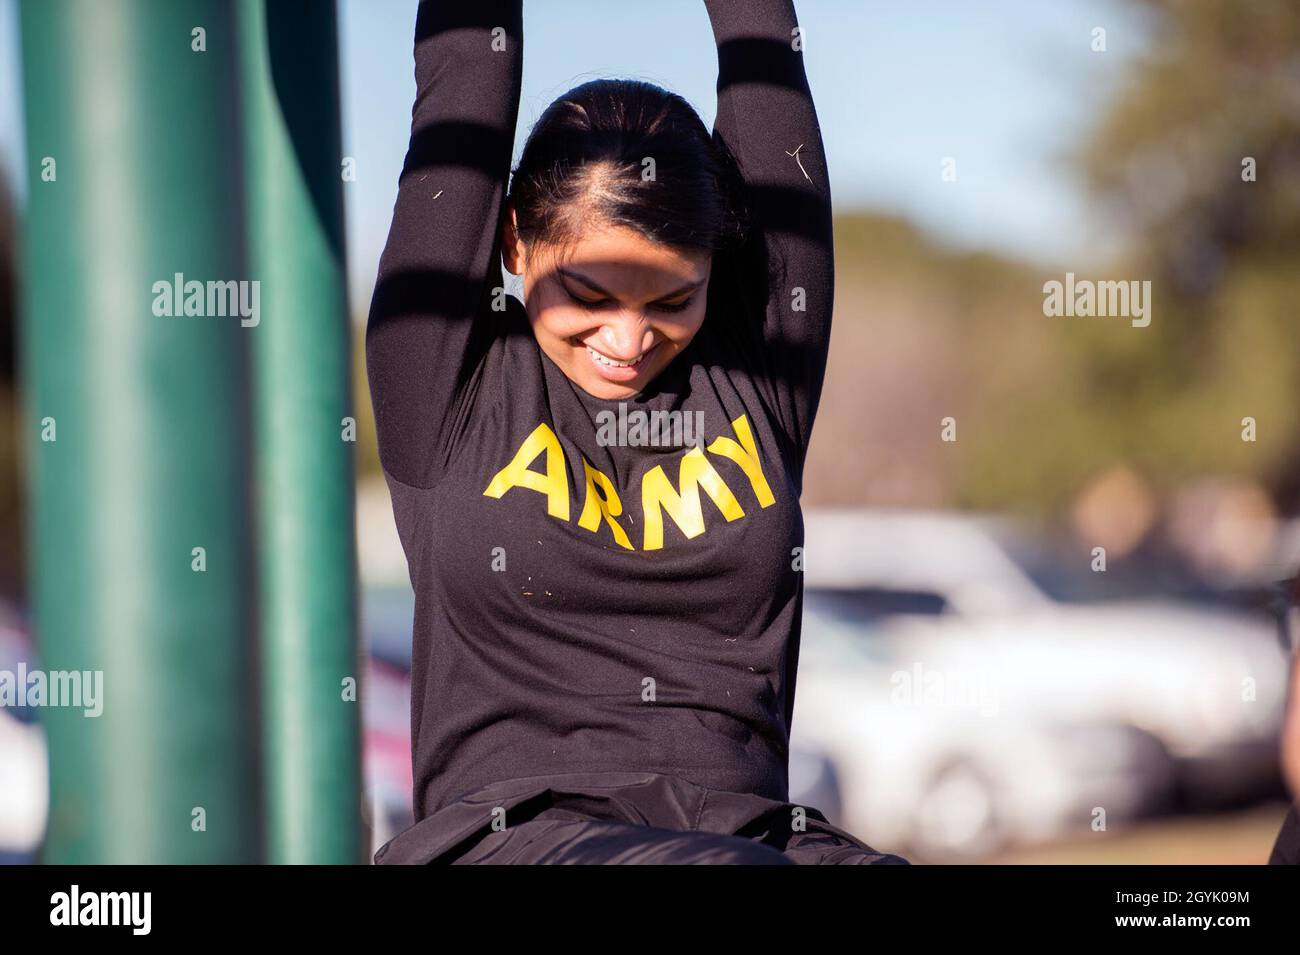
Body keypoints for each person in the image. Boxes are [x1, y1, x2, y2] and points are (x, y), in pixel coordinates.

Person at [366, 0, 904, 864]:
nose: (628, 340)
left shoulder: (756, 377)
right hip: (512, 836)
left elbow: (761, 43)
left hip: (748, 834)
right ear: (514, 241)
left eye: (669, 301)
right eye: (588, 297)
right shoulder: (446, 386)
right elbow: (466, 71)